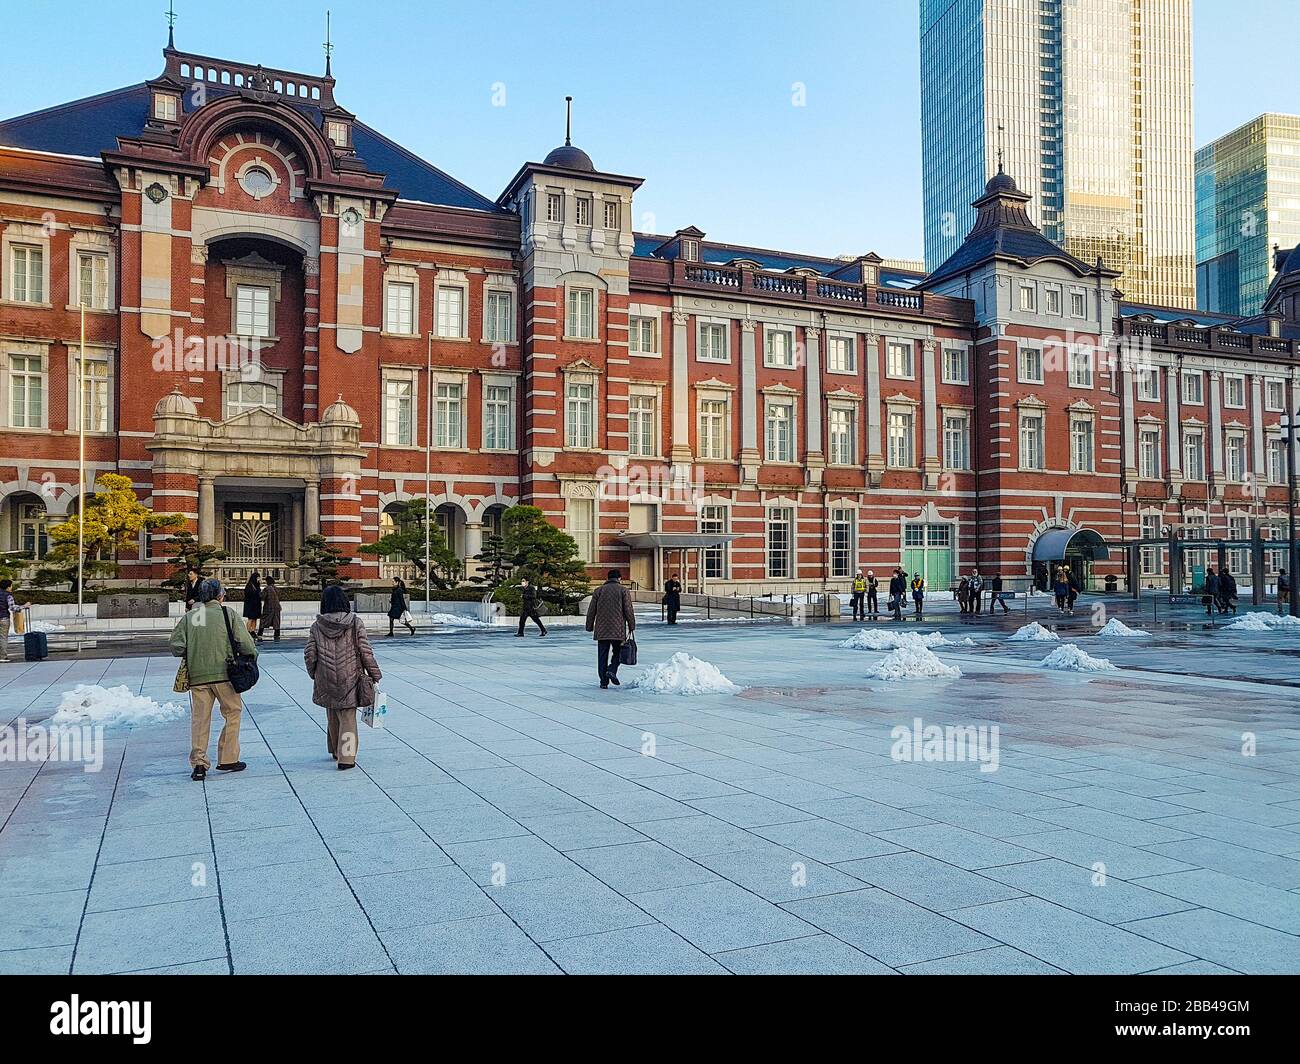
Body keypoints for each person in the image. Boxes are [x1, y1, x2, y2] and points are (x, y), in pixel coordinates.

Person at [169, 578, 257, 781]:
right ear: (220, 595)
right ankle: (227, 758)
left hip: (198, 676)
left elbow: (176, 646)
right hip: (226, 674)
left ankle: (199, 763)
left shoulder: (192, 616)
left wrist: (193, 649)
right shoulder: (228, 614)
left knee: (200, 719)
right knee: (232, 713)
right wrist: (252, 656)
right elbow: (245, 643)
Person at [304, 585, 382, 771]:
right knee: (347, 717)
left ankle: (335, 750)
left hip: (325, 678)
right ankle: (346, 758)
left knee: (332, 714)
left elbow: (309, 654)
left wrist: (314, 673)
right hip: (350, 678)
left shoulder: (317, 626)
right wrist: (374, 673)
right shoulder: (355, 623)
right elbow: (365, 651)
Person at [585, 569, 636, 689]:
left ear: (607, 578)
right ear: (619, 578)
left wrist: (589, 626)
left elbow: (591, 610)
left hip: (602, 629)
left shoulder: (599, 590)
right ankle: (612, 670)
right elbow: (628, 609)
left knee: (602, 655)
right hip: (618, 629)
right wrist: (631, 625)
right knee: (618, 652)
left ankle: (603, 682)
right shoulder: (623, 590)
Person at [0, 579, 32, 664]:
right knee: (3, 638)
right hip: (3, 619)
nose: (11, 587)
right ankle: (2, 657)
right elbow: (12, 608)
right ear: (8, 587)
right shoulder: (8, 595)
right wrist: (24, 606)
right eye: (11, 586)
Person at [258, 574, 282, 642]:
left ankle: (260, 634)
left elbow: (262, 597)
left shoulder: (267, 588)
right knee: (276, 622)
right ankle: (277, 635)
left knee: (263, 621)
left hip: (269, 607)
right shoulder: (276, 588)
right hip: (277, 607)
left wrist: (259, 592)